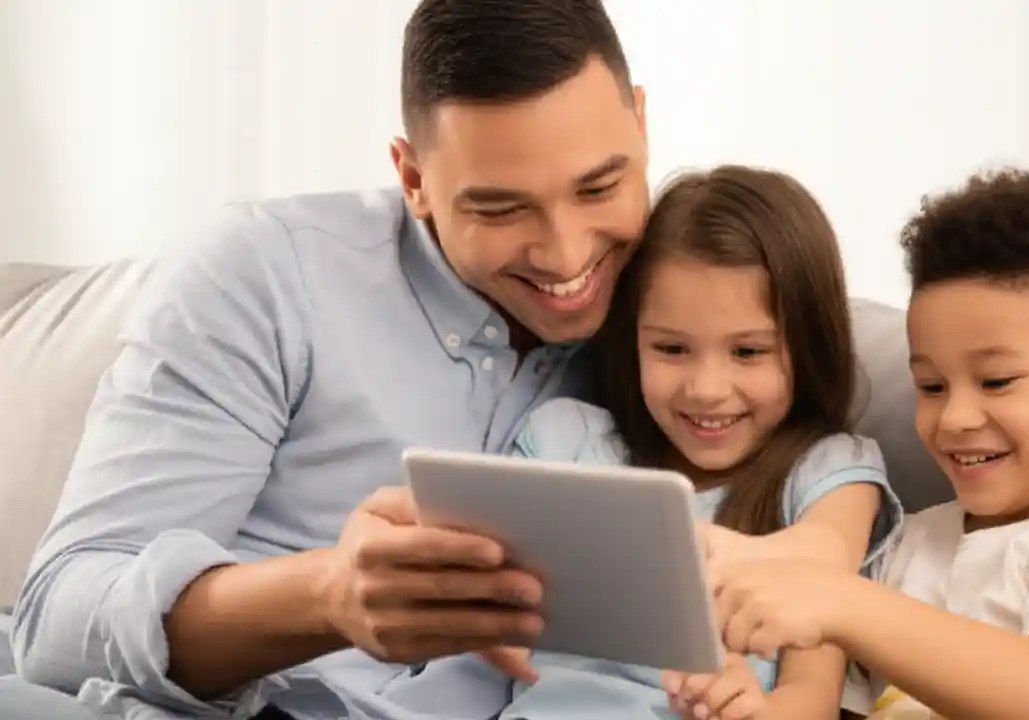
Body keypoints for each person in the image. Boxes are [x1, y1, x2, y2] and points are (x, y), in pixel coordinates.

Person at [6, 1, 655, 718]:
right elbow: (56, 620)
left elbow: (800, 483)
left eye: (599, 187)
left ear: (642, 126)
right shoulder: (267, 273)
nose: (566, 254)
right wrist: (325, 597)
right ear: (413, 180)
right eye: (500, 210)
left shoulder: (699, 320)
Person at [678, 160, 1029, 718]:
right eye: (931, 385)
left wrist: (841, 600)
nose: (954, 418)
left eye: (997, 381)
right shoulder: (909, 547)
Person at [446, 166, 900, 720]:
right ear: (630, 338)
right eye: (672, 349)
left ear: (809, 346)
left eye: (748, 352)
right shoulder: (564, 439)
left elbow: (813, 691)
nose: (706, 390)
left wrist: (748, 708)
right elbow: (480, 585)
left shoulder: (827, 469)